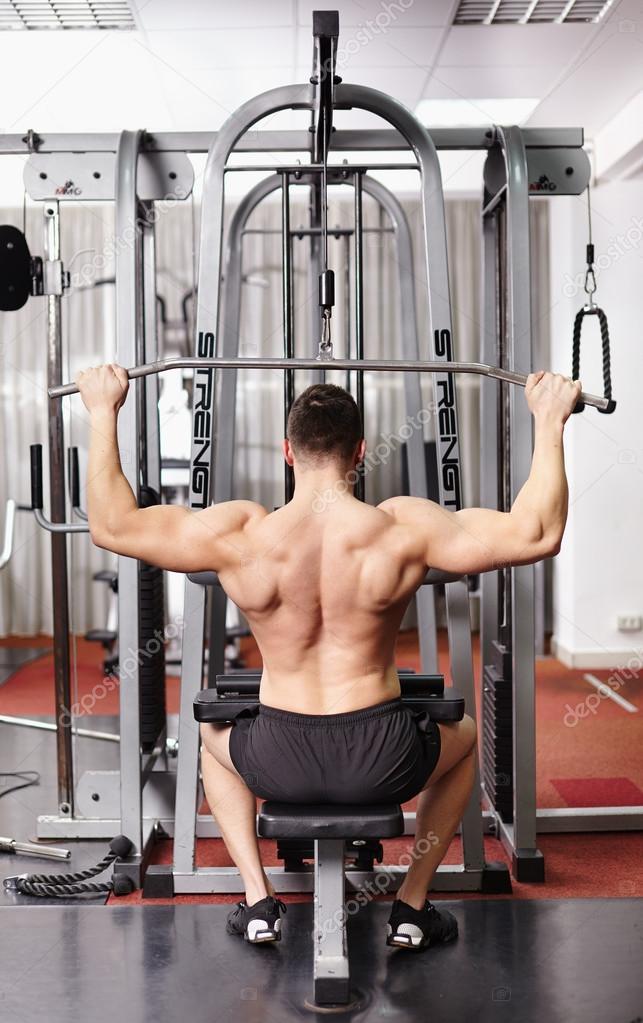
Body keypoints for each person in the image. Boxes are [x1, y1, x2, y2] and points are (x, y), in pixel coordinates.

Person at [76, 364, 581, 949]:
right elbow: (537, 533)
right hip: (383, 754)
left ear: (287, 451)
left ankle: (259, 902)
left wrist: (103, 413)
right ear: (360, 452)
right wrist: (549, 423)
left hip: (275, 756)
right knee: (463, 736)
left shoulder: (242, 533)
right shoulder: (400, 528)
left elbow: (112, 527)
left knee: (210, 740)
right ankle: (412, 907)